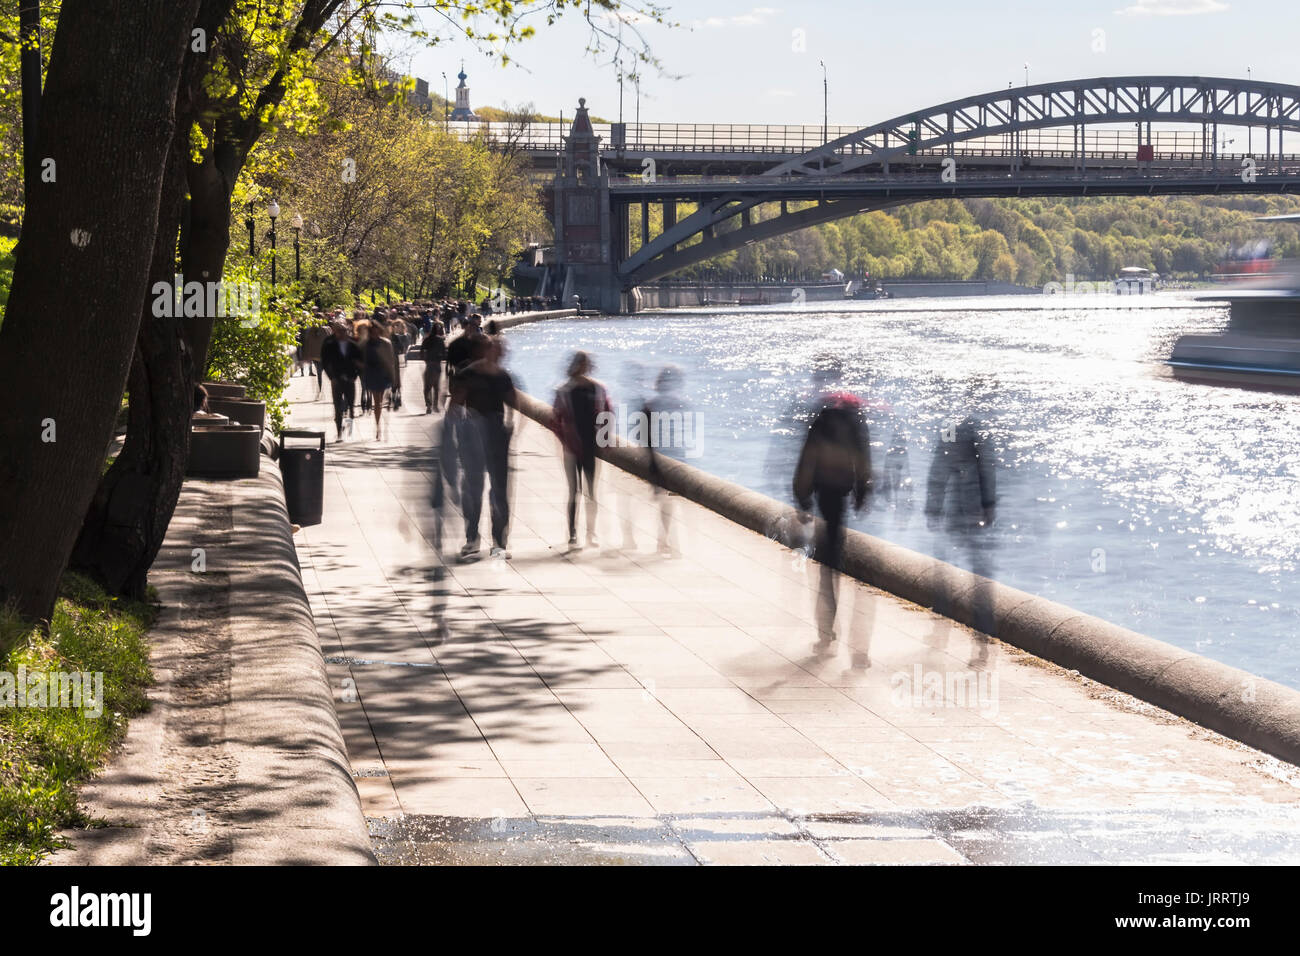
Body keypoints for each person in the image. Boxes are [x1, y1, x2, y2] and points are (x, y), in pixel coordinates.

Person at [793, 388, 871, 640]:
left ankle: (824, 626)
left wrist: (803, 499)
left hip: (822, 494)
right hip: (840, 495)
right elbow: (863, 463)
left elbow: (807, 460)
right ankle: (829, 619)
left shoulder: (820, 423)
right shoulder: (856, 425)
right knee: (833, 558)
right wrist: (861, 494)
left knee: (825, 559)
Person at [454, 336, 517, 560]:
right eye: (498, 350)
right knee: (473, 490)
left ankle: (499, 544)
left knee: (499, 492)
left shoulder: (503, 376)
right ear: (487, 350)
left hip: (497, 439)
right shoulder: (469, 373)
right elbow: (455, 405)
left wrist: (509, 427)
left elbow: (513, 403)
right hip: (473, 436)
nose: (501, 354)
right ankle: (472, 539)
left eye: (503, 352)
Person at [551, 351, 612, 549]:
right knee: (573, 491)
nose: (583, 366)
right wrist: (565, 440)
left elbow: (608, 414)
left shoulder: (599, 389)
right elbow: (556, 420)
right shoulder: (564, 390)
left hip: (591, 447)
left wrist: (604, 440)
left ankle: (590, 533)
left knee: (591, 491)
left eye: (585, 363)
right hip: (571, 448)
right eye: (580, 363)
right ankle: (572, 533)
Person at [320, 322, 362, 441]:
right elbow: (325, 361)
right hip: (336, 380)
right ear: (335, 332)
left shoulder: (353, 344)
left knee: (351, 406)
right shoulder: (329, 344)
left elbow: (359, 360)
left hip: (350, 379)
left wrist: (355, 376)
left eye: (344, 331)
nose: (342, 334)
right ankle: (339, 432)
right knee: (337, 407)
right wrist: (332, 377)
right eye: (339, 331)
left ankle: (349, 429)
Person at [358, 319, 397, 440]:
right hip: (372, 374)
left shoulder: (386, 343)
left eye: (376, 331)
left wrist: (394, 379)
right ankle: (378, 427)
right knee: (377, 402)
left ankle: (378, 425)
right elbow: (360, 359)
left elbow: (391, 361)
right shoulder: (365, 344)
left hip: (383, 374)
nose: (374, 334)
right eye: (372, 332)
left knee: (379, 401)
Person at [422, 317, 447, 413]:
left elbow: (422, 351)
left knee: (427, 387)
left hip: (429, 364)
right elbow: (444, 353)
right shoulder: (440, 341)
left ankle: (429, 404)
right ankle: (435, 405)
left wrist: (426, 360)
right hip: (437, 365)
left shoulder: (427, 339)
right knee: (436, 387)